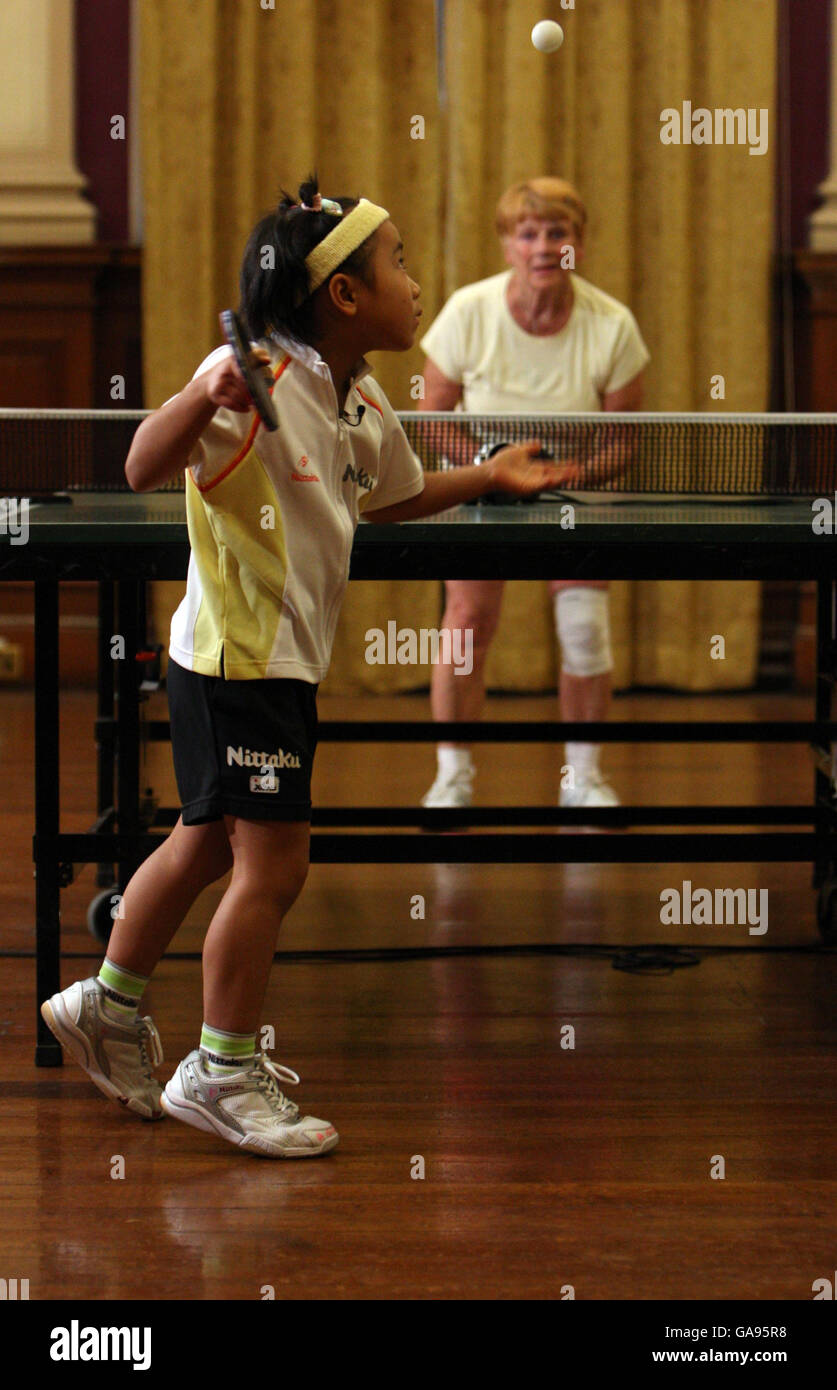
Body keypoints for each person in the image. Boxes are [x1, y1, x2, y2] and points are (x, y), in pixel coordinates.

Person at [40, 177, 569, 1159]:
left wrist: (491, 476)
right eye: (399, 263)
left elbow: (390, 498)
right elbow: (141, 466)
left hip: (263, 661)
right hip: (241, 660)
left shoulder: (356, 389)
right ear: (345, 297)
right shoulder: (253, 380)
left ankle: (105, 1004)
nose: (415, 283)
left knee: (206, 844)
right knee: (274, 865)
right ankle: (222, 1068)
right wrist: (204, 396)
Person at [419, 177, 650, 813]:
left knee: (583, 625)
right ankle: (453, 778)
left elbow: (625, 444)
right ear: (507, 245)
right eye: (528, 233)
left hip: (571, 493)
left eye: (558, 232)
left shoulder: (613, 326)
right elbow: (430, 416)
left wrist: (568, 475)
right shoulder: (468, 311)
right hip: (481, 489)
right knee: (467, 624)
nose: (543, 246)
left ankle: (583, 780)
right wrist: (488, 467)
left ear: (578, 243)